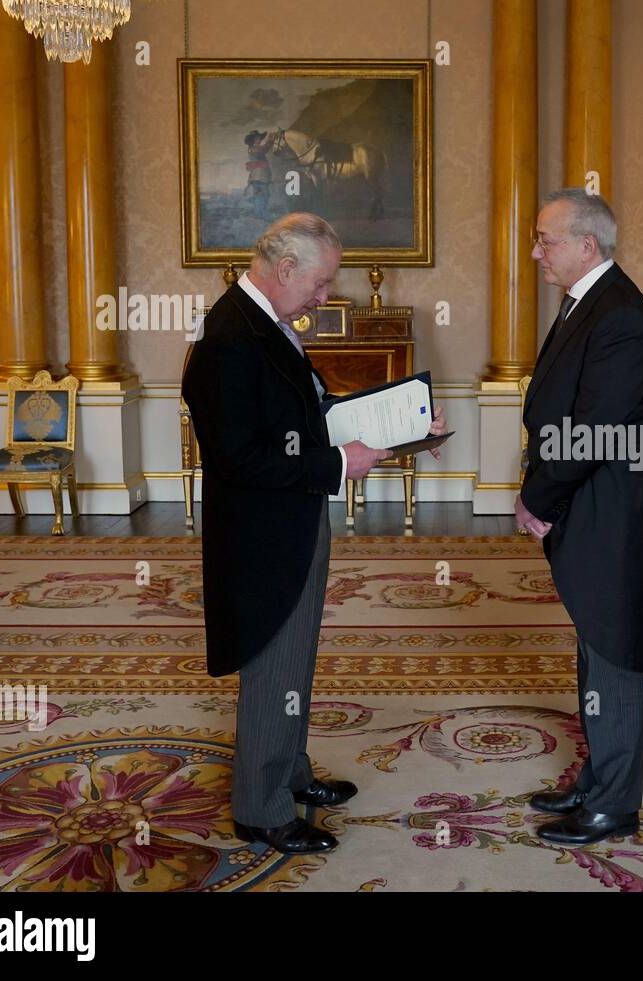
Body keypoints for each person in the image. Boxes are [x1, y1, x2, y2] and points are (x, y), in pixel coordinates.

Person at [182, 212, 444, 854]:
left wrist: (403, 429)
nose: (325, 299)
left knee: (295, 658)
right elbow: (237, 458)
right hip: (262, 537)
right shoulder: (228, 339)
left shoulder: (265, 325)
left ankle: (290, 774)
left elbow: (310, 414)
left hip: (291, 519)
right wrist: (335, 464)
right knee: (274, 661)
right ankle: (262, 810)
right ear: (285, 268)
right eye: (321, 284)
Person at [518, 188, 643, 846]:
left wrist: (538, 496)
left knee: (611, 653)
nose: (536, 251)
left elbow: (593, 430)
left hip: (604, 510)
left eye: (545, 240)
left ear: (587, 244)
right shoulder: (590, 300)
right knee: (592, 647)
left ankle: (613, 804)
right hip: (585, 500)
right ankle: (597, 779)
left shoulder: (622, 314)